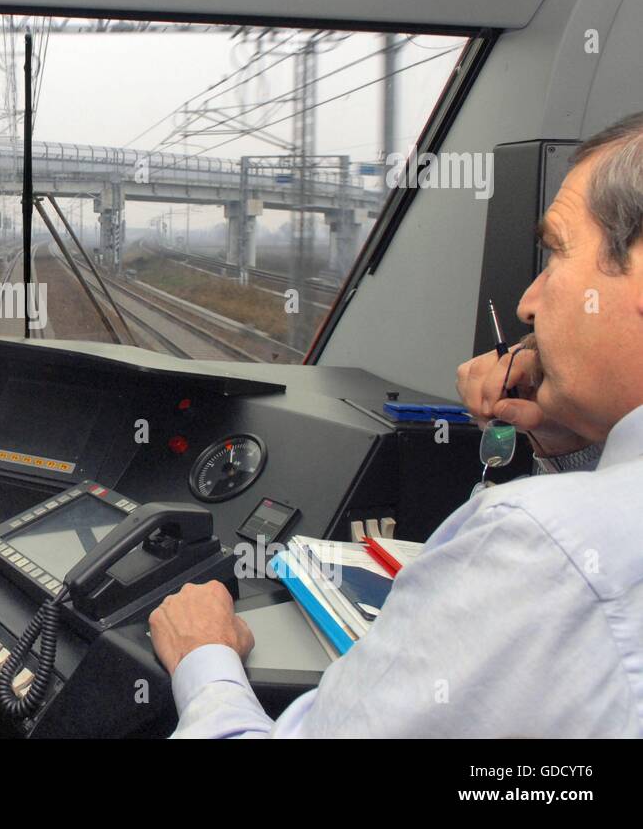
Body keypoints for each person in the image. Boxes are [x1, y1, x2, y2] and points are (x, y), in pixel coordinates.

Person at [151, 111, 643, 737]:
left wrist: (204, 659)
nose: (527, 302)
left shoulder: (546, 548)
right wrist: (576, 438)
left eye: (556, 253)